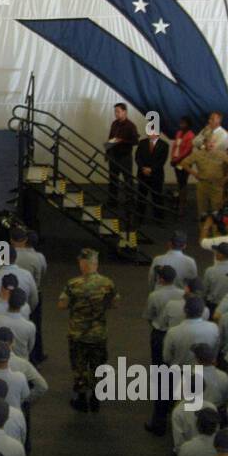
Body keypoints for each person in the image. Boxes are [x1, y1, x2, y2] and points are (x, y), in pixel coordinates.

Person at [58, 248, 115, 413]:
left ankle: (82, 399)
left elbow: (62, 305)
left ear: (83, 264)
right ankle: (96, 398)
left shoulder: (73, 284)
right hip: (98, 334)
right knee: (98, 365)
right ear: (96, 264)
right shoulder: (107, 283)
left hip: (78, 334)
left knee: (79, 367)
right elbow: (114, 303)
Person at [105, 102, 139, 209]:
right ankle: (112, 201)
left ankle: (130, 201)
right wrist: (107, 153)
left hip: (125, 157)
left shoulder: (131, 126)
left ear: (125, 112)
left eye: (118, 111)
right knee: (113, 179)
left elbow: (135, 141)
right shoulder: (114, 123)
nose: (116, 113)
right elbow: (110, 138)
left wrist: (122, 141)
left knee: (128, 180)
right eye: (115, 111)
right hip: (114, 155)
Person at [135, 125, 169, 219]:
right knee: (141, 196)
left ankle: (159, 218)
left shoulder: (164, 145)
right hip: (142, 174)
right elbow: (137, 157)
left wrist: (151, 169)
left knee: (157, 197)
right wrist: (143, 168)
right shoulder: (142, 143)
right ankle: (139, 217)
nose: (150, 133)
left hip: (156, 175)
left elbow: (162, 161)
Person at [169, 117, 196, 213]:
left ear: (188, 124)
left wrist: (177, 160)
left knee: (183, 182)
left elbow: (187, 151)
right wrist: (173, 158)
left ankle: (182, 203)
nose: (181, 125)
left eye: (183, 123)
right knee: (179, 181)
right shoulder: (179, 133)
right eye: (180, 123)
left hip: (185, 162)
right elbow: (174, 146)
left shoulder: (191, 135)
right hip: (176, 161)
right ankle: (180, 199)